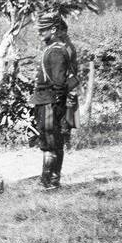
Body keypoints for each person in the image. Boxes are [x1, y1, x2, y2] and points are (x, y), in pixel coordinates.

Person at [30, 11, 79, 190]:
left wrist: (57, 103)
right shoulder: (53, 48)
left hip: (50, 101)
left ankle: (50, 182)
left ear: (53, 29)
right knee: (51, 141)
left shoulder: (56, 51)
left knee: (51, 142)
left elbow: (59, 82)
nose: (39, 33)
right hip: (47, 101)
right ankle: (49, 180)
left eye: (43, 30)